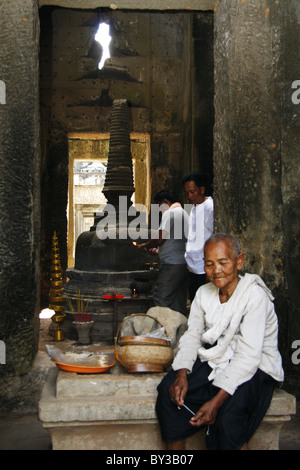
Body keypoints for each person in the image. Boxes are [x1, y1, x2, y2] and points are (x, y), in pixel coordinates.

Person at [155, 233, 284, 450]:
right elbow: (193, 335)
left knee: (227, 416)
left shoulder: (254, 297)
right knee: (169, 392)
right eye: (209, 264)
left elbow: (249, 357)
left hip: (257, 366)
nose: (216, 270)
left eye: (223, 262)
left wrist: (215, 403)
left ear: (239, 261)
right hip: (218, 359)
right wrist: (182, 373)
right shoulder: (204, 293)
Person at [138, 190, 189, 316]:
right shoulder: (184, 213)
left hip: (171, 264)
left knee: (160, 300)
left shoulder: (170, 213)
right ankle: (178, 331)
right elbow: (174, 240)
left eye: (159, 207)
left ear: (165, 202)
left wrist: (146, 246)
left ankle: (158, 333)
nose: (160, 211)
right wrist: (159, 251)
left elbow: (160, 238)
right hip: (183, 264)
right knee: (178, 303)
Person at [182, 173, 214, 302]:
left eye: (192, 192)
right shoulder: (195, 207)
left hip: (203, 268)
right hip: (193, 266)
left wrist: (210, 265)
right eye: (186, 193)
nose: (189, 196)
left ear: (202, 190)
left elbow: (214, 238)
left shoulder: (209, 208)